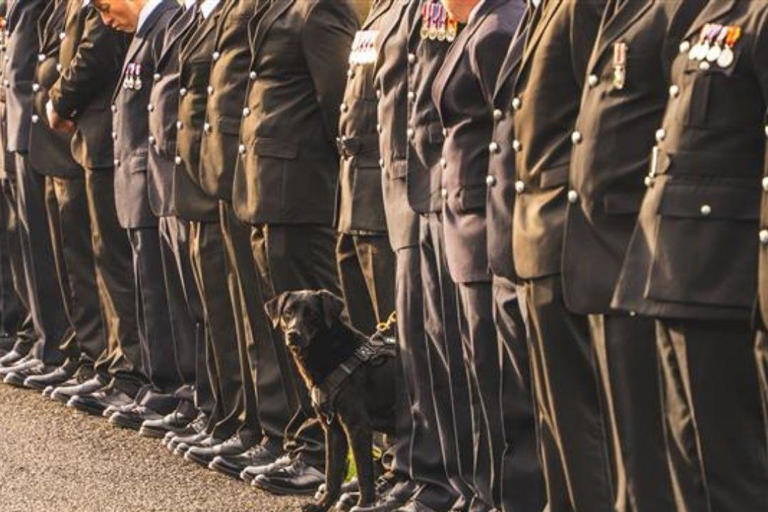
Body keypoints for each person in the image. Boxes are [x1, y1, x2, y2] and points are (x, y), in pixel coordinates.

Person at [613, 1, 768, 509]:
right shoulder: (715, 9)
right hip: (675, 266)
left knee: (731, 472)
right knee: (688, 463)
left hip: (724, 271)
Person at [564, 0, 706, 509]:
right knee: (624, 429)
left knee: (651, 438)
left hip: (640, 240)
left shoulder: (677, 9)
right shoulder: (611, 8)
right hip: (602, 240)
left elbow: (679, 116)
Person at [233, 0, 357, 496]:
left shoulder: (321, 9)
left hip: (301, 188)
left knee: (320, 339)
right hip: (268, 187)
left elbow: (337, 104)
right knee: (291, 337)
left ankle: (322, 453)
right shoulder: (274, 7)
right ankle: (298, 441)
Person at [433, 0, 542, 510]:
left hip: (484, 218)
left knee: (501, 385)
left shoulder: (499, 28)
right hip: (465, 217)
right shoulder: (476, 23)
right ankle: (484, 493)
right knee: (478, 375)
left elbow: (509, 132)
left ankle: (510, 497)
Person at [510, 0, 615, 509]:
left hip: (568, 228)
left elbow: (601, 119)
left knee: (581, 418)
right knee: (555, 416)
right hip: (535, 228)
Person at [194, 0, 293, 478]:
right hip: (238, 167)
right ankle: (255, 423)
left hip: (276, 173)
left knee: (262, 308)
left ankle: (284, 431)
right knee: (242, 312)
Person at [374, 1, 458, 510]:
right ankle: (414, 463)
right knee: (415, 340)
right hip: (403, 183)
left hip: (430, 183)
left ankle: (437, 472)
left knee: (435, 342)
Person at [47, 0, 148, 415]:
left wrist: (60, 99)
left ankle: (129, 368)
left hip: (106, 136)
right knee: (103, 257)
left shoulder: (113, 12)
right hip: (94, 137)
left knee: (116, 261)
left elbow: (98, 49)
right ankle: (113, 360)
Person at [91, 0, 185, 429]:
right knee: (147, 289)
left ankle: (170, 385)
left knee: (160, 292)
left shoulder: (166, 23)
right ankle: (156, 378)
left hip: (151, 178)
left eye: (108, 9)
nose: (108, 21)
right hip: (134, 178)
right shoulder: (143, 33)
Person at [23, 0, 109, 393]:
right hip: (57, 138)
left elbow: (91, 52)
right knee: (68, 260)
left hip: (75, 135)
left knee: (87, 261)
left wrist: (59, 99)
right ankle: (79, 351)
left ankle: (94, 355)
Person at [1, 0, 75, 386]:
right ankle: (38, 336)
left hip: (36, 124)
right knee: (24, 243)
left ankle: (53, 345)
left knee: (45, 248)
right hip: (15, 122)